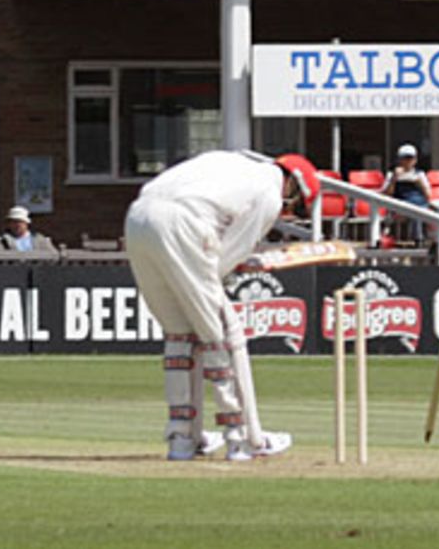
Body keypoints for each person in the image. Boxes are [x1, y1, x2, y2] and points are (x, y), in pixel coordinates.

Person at [123, 150, 316, 462]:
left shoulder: (232, 162)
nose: (288, 210)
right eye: (295, 204)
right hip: (182, 224)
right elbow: (229, 255)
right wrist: (238, 265)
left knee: (179, 334)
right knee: (223, 333)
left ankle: (183, 439)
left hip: (138, 217)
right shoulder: (269, 193)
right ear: (293, 186)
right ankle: (242, 439)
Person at [381, 144, 432, 245]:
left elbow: (428, 195)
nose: (408, 161)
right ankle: (419, 240)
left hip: (419, 203)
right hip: (401, 204)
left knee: (435, 211)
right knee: (416, 212)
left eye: (411, 158)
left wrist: (420, 183)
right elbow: (387, 194)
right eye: (405, 158)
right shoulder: (392, 174)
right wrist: (394, 179)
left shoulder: (419, 174)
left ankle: (436, 241)